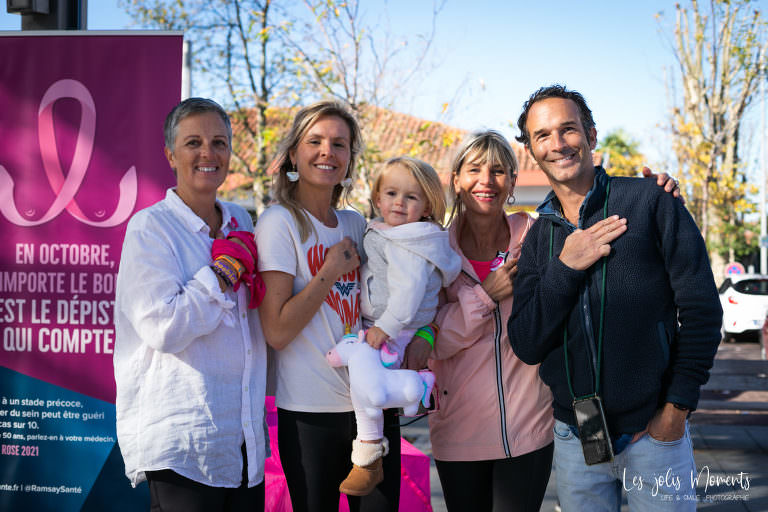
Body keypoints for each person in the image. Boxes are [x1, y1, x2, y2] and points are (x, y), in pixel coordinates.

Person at [508, 84, 722, 511]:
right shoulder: (538, 240)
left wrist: (676, 409)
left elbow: (701, 310)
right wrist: (566, 267)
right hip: (579, 432)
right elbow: (528, 343)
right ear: (531, 150)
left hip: (655, 430)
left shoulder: (649, 202)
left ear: (591, 135)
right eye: (542, 135)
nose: (557, 144)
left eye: (568, 129)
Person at [114, 98, 268, 511]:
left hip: (243, 445)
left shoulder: (242, 221)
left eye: (219, 142)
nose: (208, 153)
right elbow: (163, 329)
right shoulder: (150, 228)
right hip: (184, 443)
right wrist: (222, 272)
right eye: (193, 142)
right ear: (170, 154)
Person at [254, 100, 400, 512]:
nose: (327, 152)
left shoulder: (356, 223)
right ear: (295, 154)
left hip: (371, 407)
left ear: (351, 158)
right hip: (309, 414)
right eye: (314, 141)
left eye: (339, 144)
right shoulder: (278, 223)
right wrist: (330, 270)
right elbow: (277, 331)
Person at [339, 156, 461, 496]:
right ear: (377, 198)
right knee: (366, 387)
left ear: (426, 206)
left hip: (396, 328)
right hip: (386, 325)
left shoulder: (410, 240)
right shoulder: (389, 232)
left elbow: (408, 293)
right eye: (391, 193)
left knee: (366, 390)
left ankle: (370, 453)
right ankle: (373, 447)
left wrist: (386, 328)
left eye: (411, 197)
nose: (399, 203)